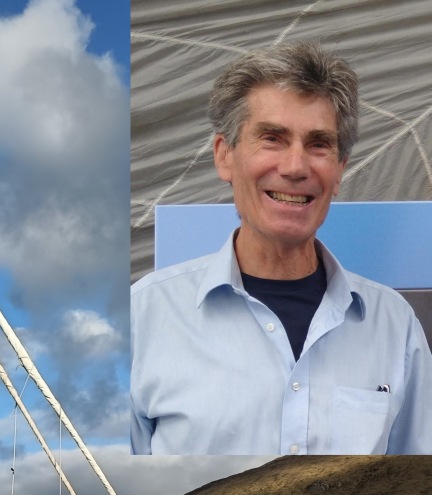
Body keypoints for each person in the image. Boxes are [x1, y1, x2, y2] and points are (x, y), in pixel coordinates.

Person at [130, 41, 432, 455]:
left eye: (318, 144)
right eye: (272, 138)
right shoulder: (143, 316)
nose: (295, 167)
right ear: (225, 157)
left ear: (340, 170)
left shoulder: (394, 326)